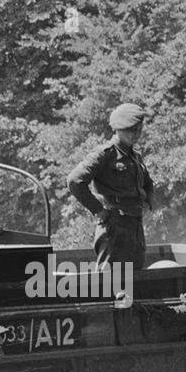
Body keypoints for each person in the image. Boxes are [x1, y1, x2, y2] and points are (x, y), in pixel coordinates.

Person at [67, 102, 155, 272]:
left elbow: (148, 183)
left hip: (135, 228)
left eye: (138, 129)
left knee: (135, 282)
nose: (136, 134)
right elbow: (75, 181)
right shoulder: (104, 154)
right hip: (114, 228)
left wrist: (147, 201)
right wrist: (98, 210)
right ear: (118, 128)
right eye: (131, 129)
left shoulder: (135, 157)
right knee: (110, 284)